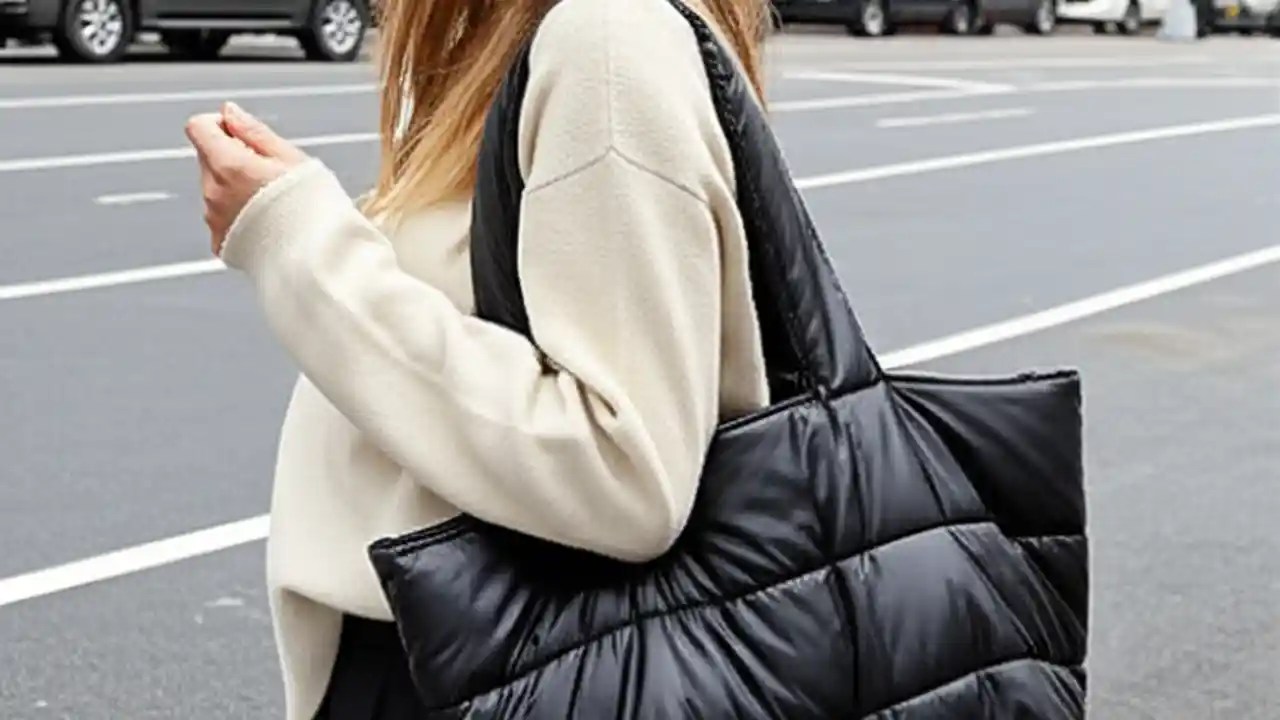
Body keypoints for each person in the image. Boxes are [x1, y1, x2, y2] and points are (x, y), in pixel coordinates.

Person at [183, 0, 771, 717]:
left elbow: (626, 469)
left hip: (486, 662)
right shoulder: (537, 38)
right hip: (471, 644)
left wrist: (297, 238)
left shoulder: (606, 40)